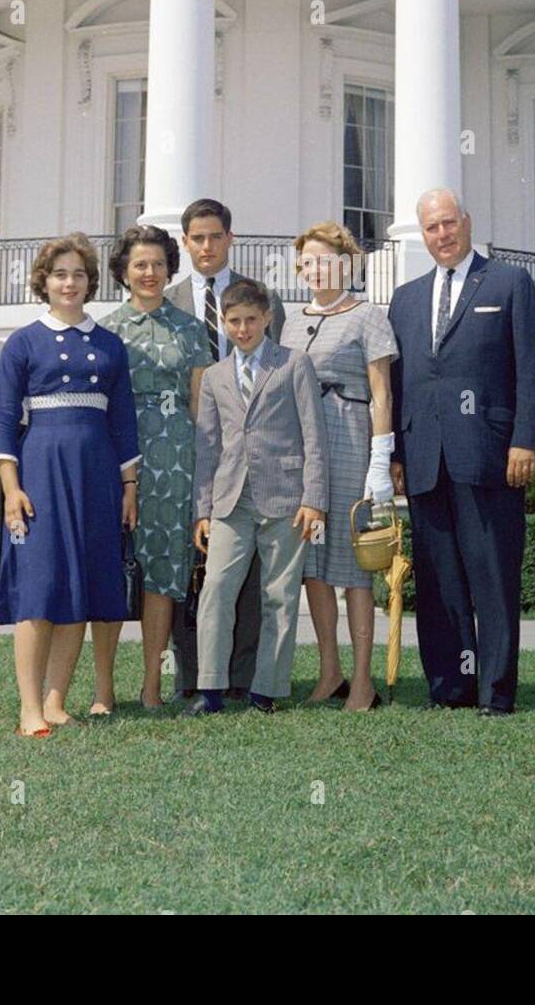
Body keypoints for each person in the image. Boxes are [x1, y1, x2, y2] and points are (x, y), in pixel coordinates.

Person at [387, 189, 535, 715]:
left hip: (489, 454)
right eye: (432, 227)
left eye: (449, 223)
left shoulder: (508, 283)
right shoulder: (406, 298)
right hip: (423, 457)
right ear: (423, 233)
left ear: (467, 222)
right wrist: (394, 452)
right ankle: (451, 687)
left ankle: (496, 692)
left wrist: (526, 439)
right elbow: (399, 378)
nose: (442, 234)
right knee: (439, 582)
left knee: (493, 576)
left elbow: (532, 365)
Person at [0, 232, 140, 736]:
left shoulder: (109, 344)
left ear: (89, 281)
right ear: (44, 282)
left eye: (77, 274)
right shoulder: (22, 342)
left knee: (83, 583)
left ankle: (56, 700)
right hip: (41, 471)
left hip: (97, 471)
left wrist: (129, 486)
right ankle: (29, 708)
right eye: (59, 274)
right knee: (39, 586)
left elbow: (124, 422)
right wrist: (12, 488)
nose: (68, 282)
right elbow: (5, 421)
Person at [184, 279, 328, 715]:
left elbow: (313, 437)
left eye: (251, 320)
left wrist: (314, 498)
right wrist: (202, 510)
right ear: (223, 324)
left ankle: (266, 690)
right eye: (234, 321)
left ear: (267, 318)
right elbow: (207, 446)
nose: (243, 329)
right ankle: (210, 690)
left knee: (279, 595)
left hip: (286, 498)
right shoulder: (214, 377)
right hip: (230, 501)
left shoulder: (294, 364)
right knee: (216, 589)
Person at [164, 198, 287, 698]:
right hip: (185, 447)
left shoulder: (262, 299)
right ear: (186, 242)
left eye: (215, 236)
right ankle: (189, 674)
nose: (207, 246)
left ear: (229, 238)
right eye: (197, 238)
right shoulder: (169, 300)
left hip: (251, 454)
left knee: (251, 570)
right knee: (189, 567)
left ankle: (243, 677)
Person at [280, 222, 398, 712]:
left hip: (350, 438)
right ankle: (330, 672)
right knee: (314, 566)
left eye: (325, 260)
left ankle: (365, 681)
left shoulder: (368, 316)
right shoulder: (288, 321)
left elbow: (382, 393)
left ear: (346, 264)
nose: (315, 269)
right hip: (304, 449)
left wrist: (380, 460)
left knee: (354, 567)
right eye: (307, 261)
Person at [98, 225, 213, 709]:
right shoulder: (105, 331)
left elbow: (199, 404)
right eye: (140, 265)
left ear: (170, 269)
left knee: (163, 570)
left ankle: (151, 685)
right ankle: (103, 689)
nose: (150, 273)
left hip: (174, 456)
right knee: (108, 567)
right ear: (124, 271)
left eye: (159, 264)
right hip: (116, 452)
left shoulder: (189, 328)